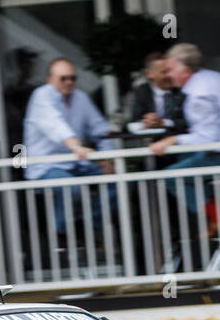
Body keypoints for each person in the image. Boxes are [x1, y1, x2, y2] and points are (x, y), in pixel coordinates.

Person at [151, 43, 220, 223]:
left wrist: (172, 140)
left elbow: (207, 138)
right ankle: (217, 215)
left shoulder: (198, 95)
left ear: (187, 71)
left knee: (171, 176)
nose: (167, 75)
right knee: (186, 162)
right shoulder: (212, 77)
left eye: (170, 70)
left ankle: (219, 218)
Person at [22, 57, 113, 235]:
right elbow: (56, 126)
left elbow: (100, 128)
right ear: (50, 79)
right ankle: (61, 235)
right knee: (71, 187)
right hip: (46, 167)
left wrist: (107, 157)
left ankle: (90, 224)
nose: (69, 82)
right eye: (63, 78)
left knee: (118, 179)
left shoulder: (81, 97)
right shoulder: (41, 96)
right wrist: (76, 146)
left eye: (73, 78)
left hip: (76, 163)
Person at [130, 52, 187, 132]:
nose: (169, 75)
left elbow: (190, 121)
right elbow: (132, 123)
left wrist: (164, 123)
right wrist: (146, 123)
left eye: (170, 70)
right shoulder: (142, 92)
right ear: (149, 74)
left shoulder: (181, 89)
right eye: (164, 72)